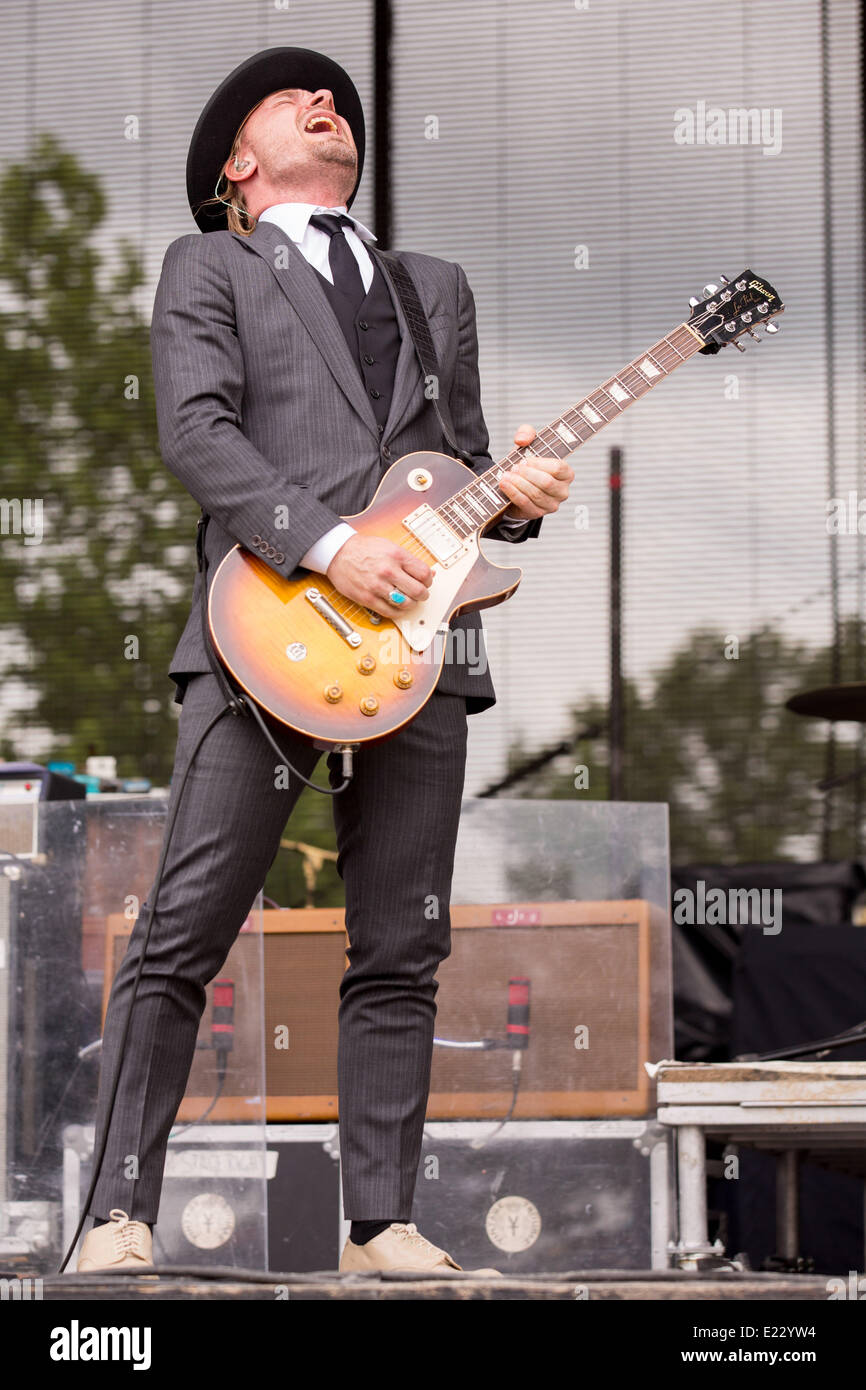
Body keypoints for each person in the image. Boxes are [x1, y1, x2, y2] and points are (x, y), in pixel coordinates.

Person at [77, 46, 573, 1277]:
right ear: (238, 168)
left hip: (416, 652)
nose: (327, 98)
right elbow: (196, 432)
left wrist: (516, 500)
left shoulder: (432, 286)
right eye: (293, 96)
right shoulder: (211, 264)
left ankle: (379, 1224)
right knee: (185, 925)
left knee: (402, 944)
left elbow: (453, 466)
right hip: (266, 634)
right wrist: (330, 545)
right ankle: (114, 1216)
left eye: (337, 94)